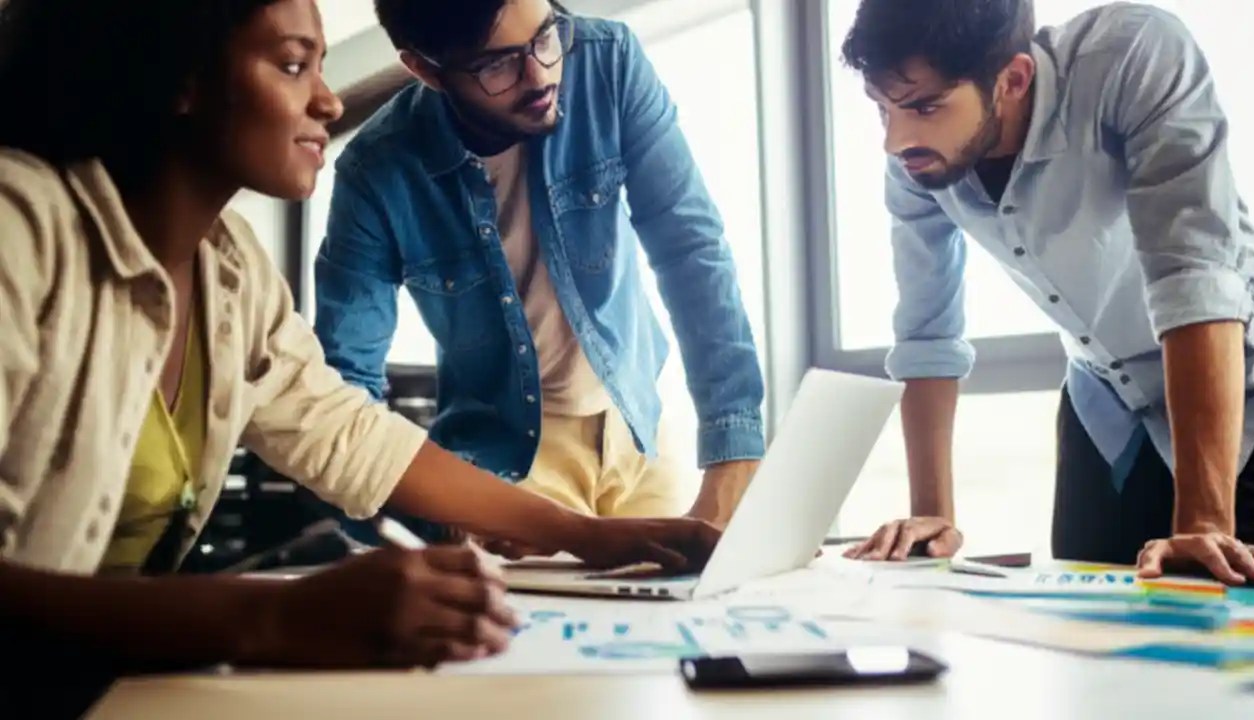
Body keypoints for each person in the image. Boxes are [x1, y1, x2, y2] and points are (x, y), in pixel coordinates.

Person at [0, 0, 720, 701]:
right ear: (177, 75)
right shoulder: (19, 230)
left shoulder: (233, 274)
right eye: (291, 65)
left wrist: (579, 535)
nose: (330, 102)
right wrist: (275, 616)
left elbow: (347, 434)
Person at [838, 0, 1254, 586]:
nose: (896, 140)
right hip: (1104, 409)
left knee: (1245, 645)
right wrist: (933, 516)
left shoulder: (1132, 55)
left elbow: (1193, 274)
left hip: (1239, 395)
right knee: (1093, 644)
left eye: (924, 106)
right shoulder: (918, 161)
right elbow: (927, 334)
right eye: (882, 108)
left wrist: (1204, 520)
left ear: (1013, 80)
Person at [311, 0, 765, 547]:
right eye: (498, 65)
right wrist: (432, 514)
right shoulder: (376, 172)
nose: (541, 75)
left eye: (547, 35)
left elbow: (690, 249)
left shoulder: (607, 62)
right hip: (509, 463)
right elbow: (345, 380)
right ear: (425, 70)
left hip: (637, 426)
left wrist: (733, 452)